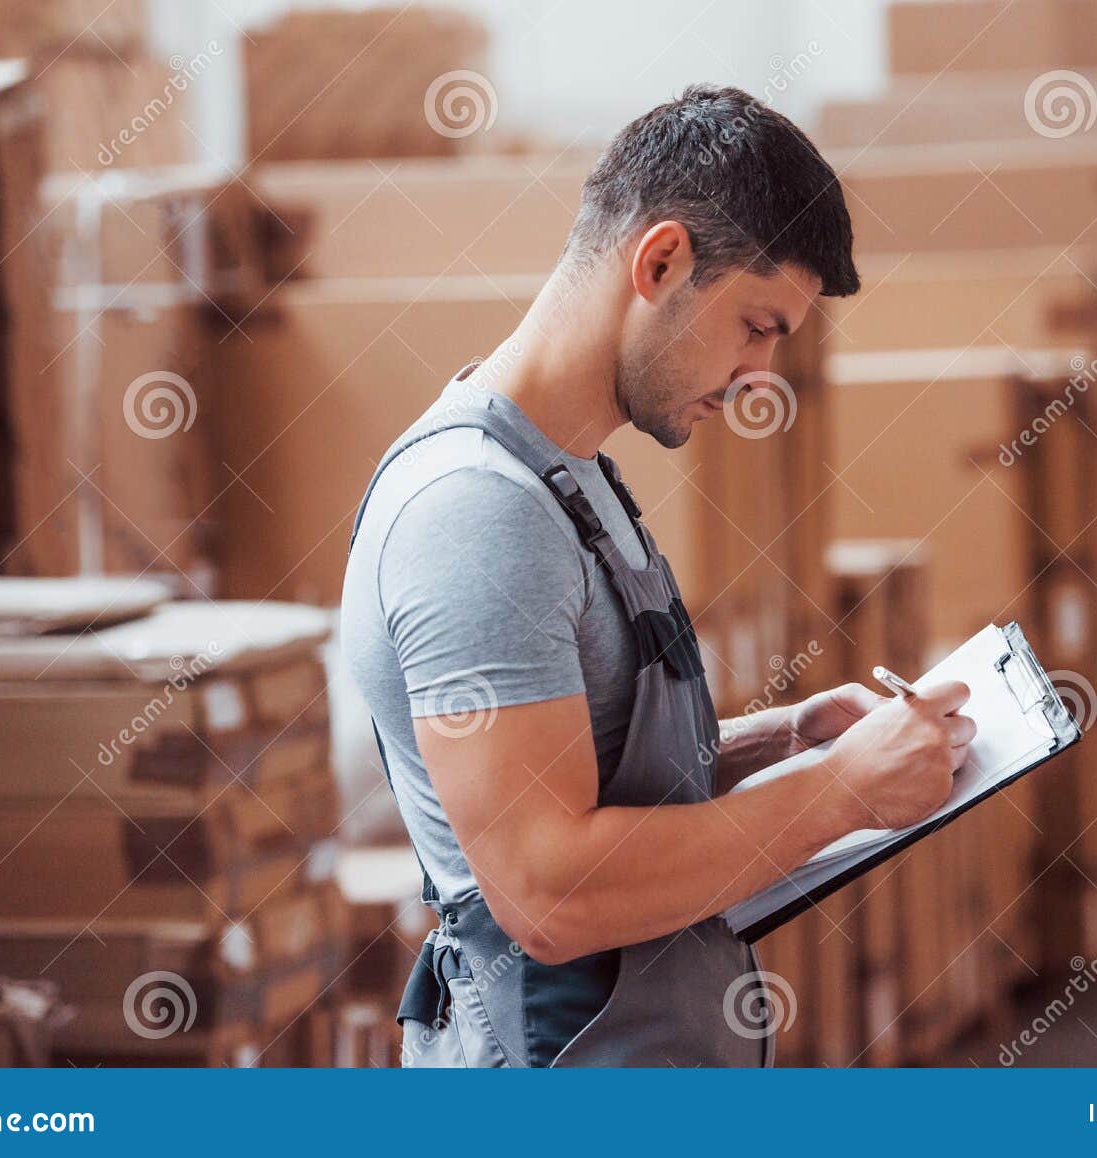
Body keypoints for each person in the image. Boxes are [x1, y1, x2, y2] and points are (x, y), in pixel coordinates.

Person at [341, 84, 975, 1067]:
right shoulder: (477, 514)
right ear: (661, 260)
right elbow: (549, 892)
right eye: (755, 326)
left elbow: (595, 777)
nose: (758, 374)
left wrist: (788, 744)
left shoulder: (575, 479)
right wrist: (840, 793)